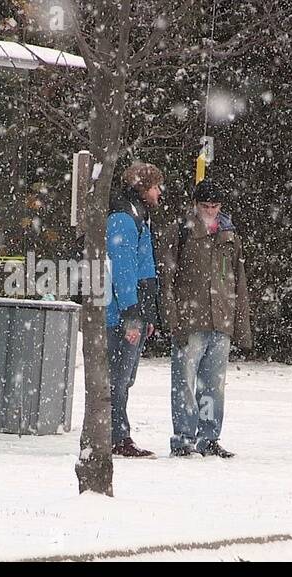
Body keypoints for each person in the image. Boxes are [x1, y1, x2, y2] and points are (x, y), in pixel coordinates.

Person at [157, 179, 252, 457]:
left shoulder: (230, 236)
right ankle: (184, 438)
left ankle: (208, 438)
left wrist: (240, 325)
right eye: (205, 205)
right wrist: (172, 318)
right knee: (184, 383)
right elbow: (167, 278)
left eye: (215, 205)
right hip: (190, 319)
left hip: (220, 321)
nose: (211, 210)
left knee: (213, 385)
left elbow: (239, 283)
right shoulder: (181, 231)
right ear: (195, 205)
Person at [106, 163, 164, 458]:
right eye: (156, 187)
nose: (159, 193)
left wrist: (147, 314)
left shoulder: (138, 216)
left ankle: (117, 432)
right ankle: (117, 435)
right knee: (118, 378)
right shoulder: (125, 218)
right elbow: (124, 270)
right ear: (143, 188)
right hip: (122, 313)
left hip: (134, 310)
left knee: (123, 378)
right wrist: (131, 314)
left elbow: (143, 268)